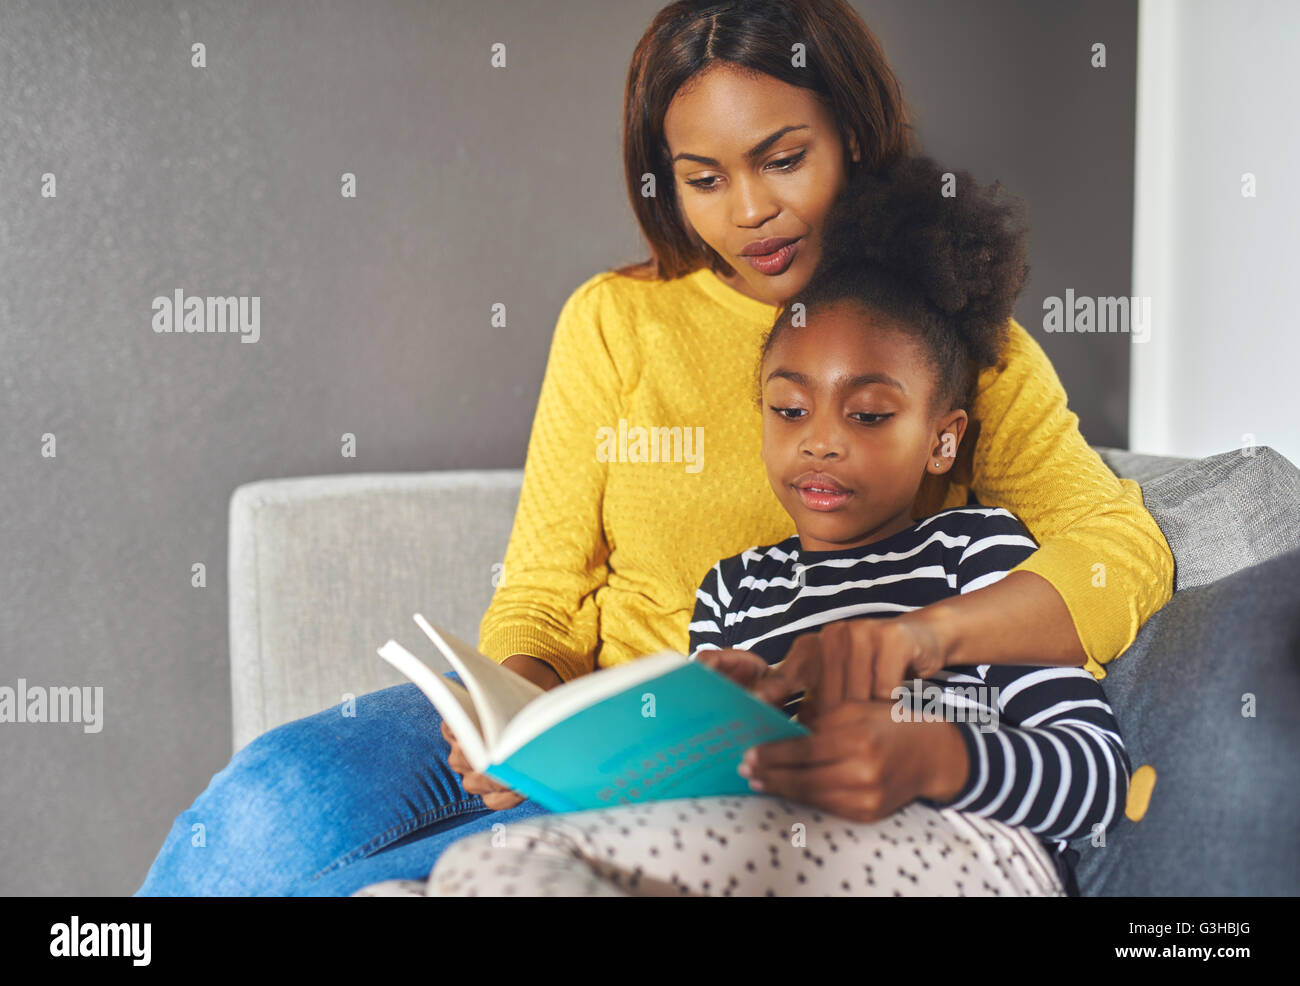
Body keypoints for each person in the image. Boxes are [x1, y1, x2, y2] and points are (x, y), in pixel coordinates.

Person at [136, 0, 1177, 897]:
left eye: (783, 159)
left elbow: (1116, 550)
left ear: (853, 138)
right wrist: (517, 709)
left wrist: (924, 638)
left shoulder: (944, 338)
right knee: (272, 798)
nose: (750, 210)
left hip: (708, 768)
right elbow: (545, 588)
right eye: (702, 176)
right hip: (583, 712)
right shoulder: (613, 322)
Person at [424, 154, 1130, 896]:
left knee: (497, 867)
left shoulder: (976, 556)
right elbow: (705, 804)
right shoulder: (734, 589)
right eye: (789, 410)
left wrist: (935, 754)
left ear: (942, 440)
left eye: (867, 415)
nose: (819, 440)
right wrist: (725, 720)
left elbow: (1095, 774)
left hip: (964, 841)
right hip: (778, 842)